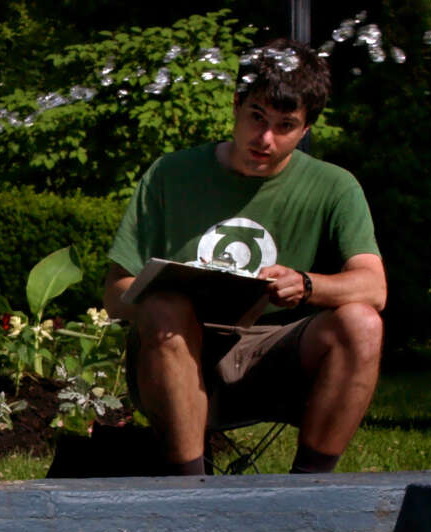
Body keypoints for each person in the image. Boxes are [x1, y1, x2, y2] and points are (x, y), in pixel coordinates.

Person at [103, 39, 385, 475]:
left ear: (306, 129)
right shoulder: (170, 174)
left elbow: (373, 287)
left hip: (277, 354)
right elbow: (115, 293)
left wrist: (307, 284)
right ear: (236, 105)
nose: (265, 139)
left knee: (362, 323)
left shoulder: (335, 186)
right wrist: (172, 295)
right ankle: (189, 493)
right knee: (163, 305)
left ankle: (309, 491)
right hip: (178, 349)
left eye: (285, 125)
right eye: (257, 117)